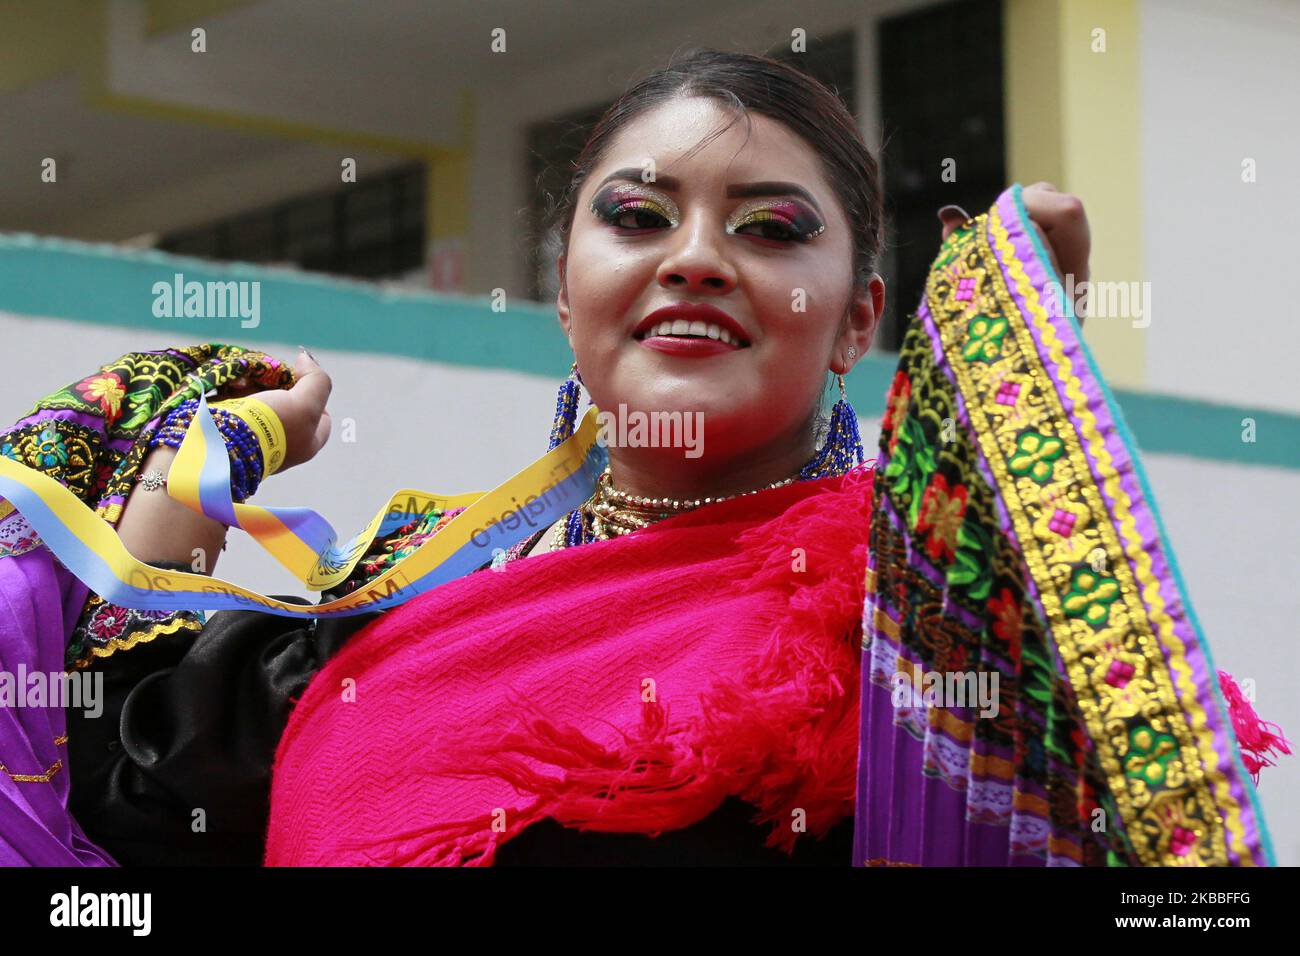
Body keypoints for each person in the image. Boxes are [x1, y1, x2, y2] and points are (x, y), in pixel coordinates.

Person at [0, 49, 1284, 867]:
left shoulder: (921, 623)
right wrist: (190, 479)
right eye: (636, 216)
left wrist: (1002, 426)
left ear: (856, 319)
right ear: (567, 294)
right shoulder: (402, 591)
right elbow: (109, 811)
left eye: (772, 228)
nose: (694, 256)